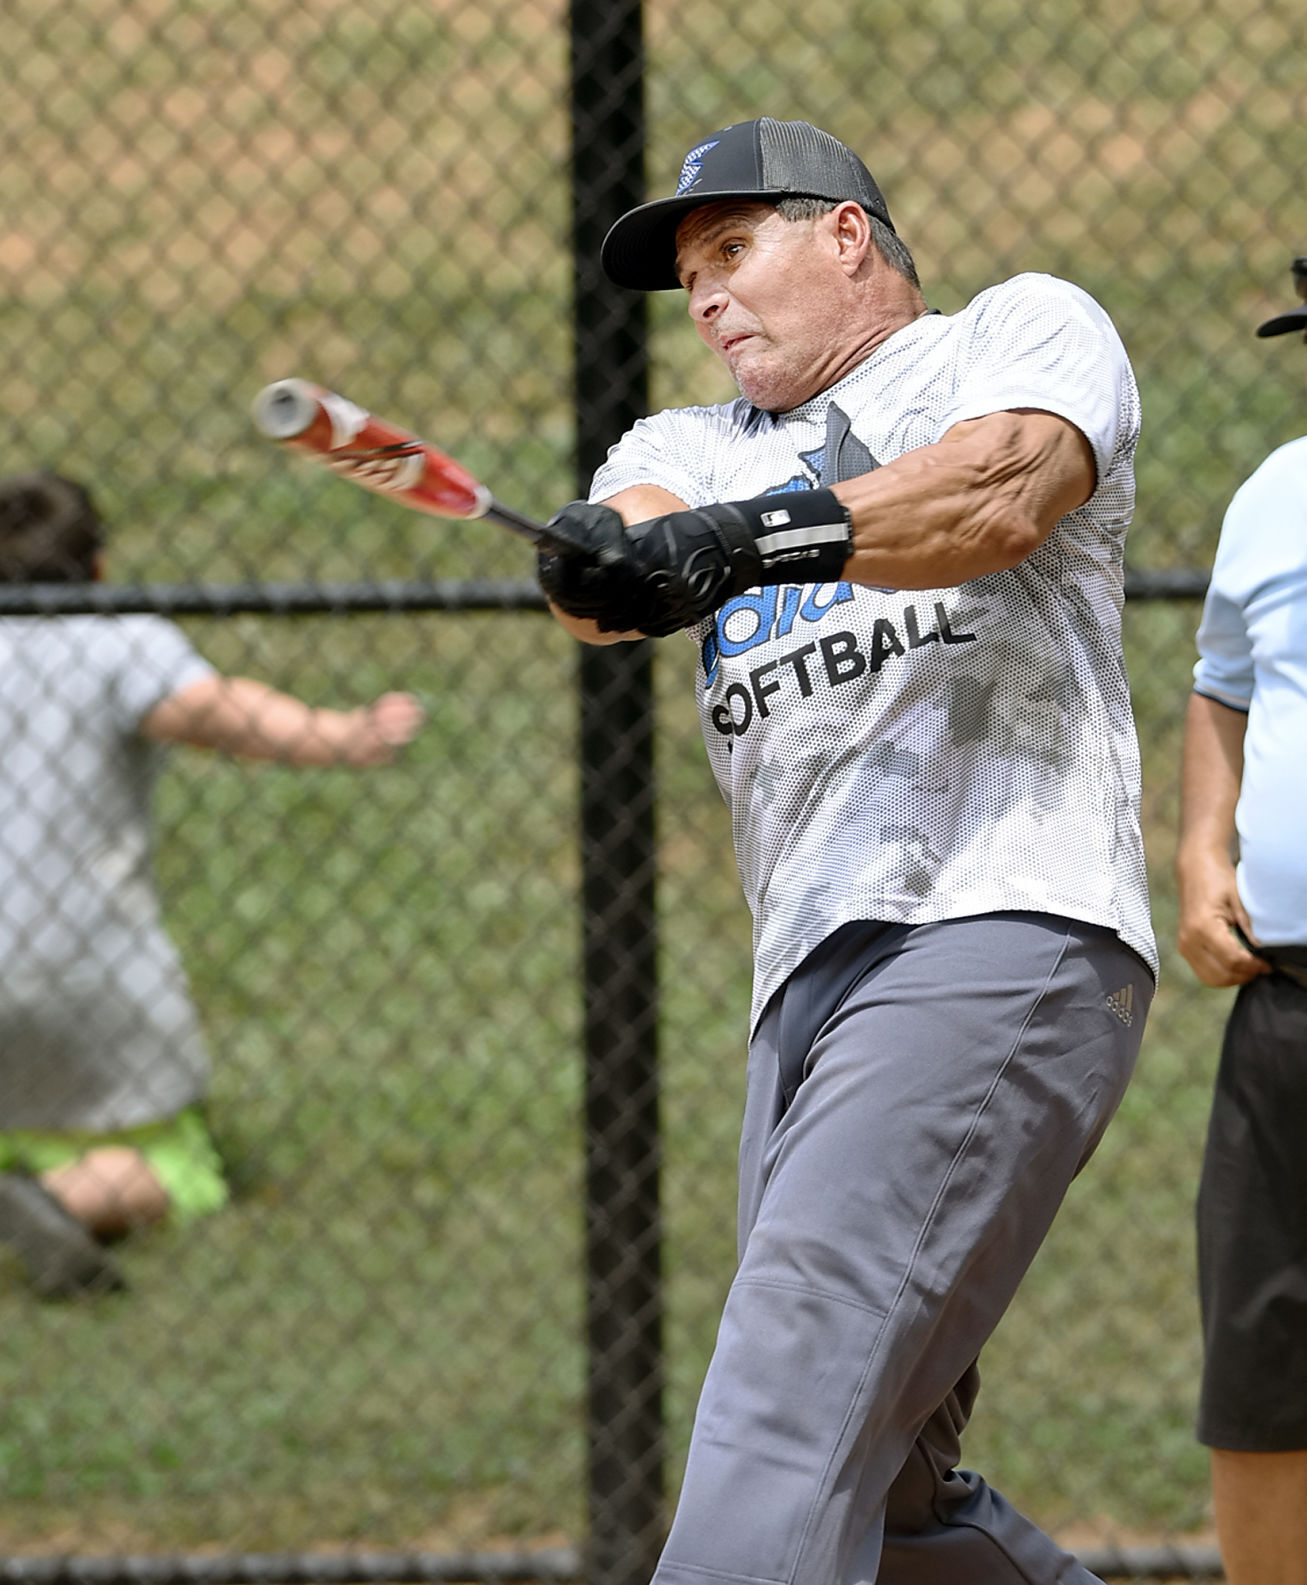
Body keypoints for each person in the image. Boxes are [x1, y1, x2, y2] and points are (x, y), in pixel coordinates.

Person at [539, 118, 1157, 1584]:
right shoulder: (688, 442)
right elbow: (622, 545)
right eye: (686, 277)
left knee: (780, 1404)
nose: (703, 297)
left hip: (993, 916)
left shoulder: (1013, 333)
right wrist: (602, 558)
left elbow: (998, 492)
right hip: (804, 976)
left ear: (844, 236)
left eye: (729, 250)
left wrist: (750, 541)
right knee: (882, 1499)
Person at [0, 470, 424, 1300]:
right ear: (96, 567)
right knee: (174, 1160)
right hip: (81, 969)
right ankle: (60, 1197)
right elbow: (214, 709)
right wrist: (343, 734)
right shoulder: (114, 638)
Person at [1175, 256, 1307, 1585]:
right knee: (1260, 1364)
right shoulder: (1274, 493)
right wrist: (1197, 848)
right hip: (1285, 1006)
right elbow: (1218, 683)